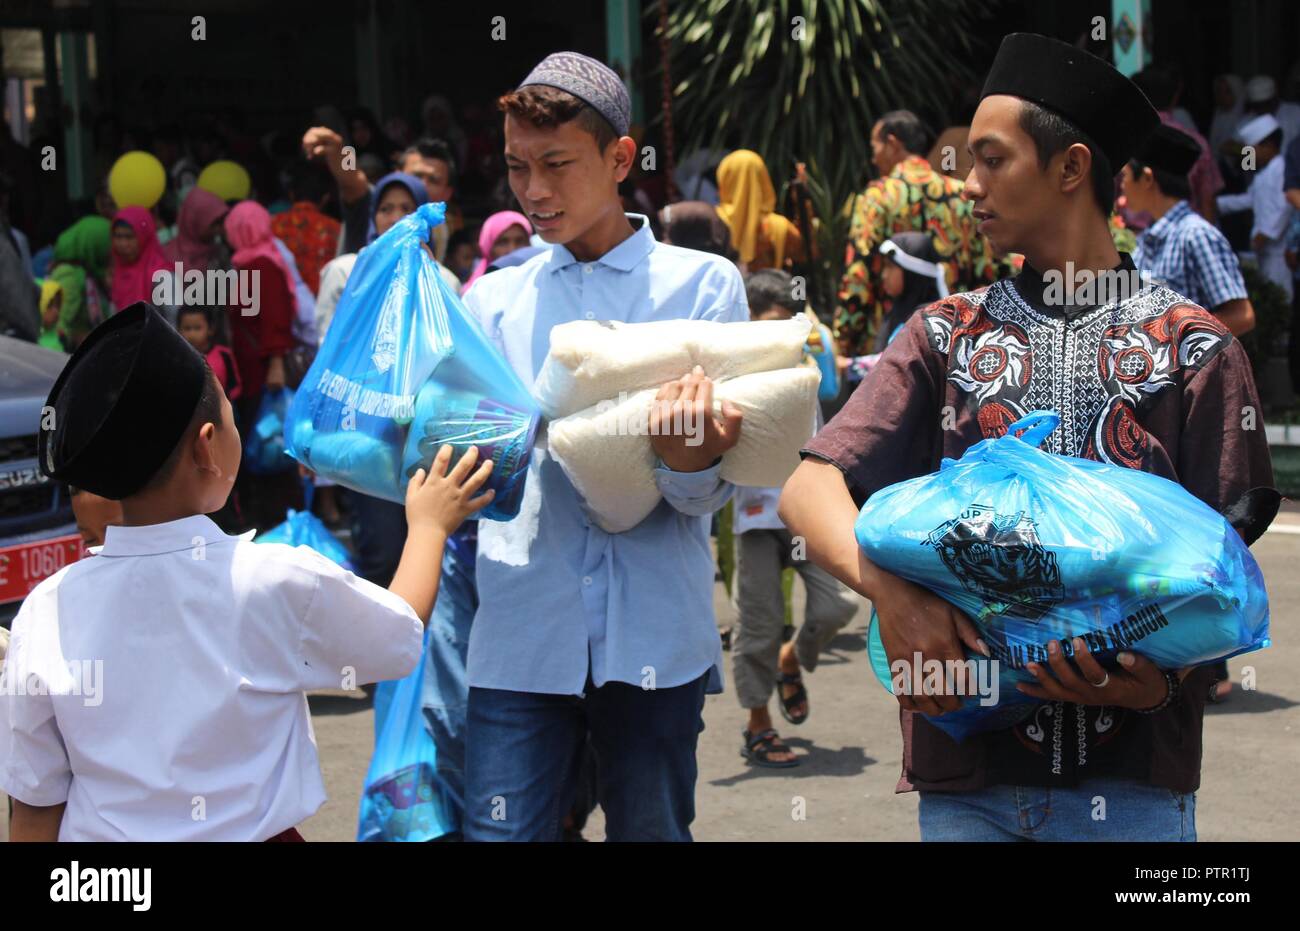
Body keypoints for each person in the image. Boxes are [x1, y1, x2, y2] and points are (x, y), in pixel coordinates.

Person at [779, 33, 1277, 843]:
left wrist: (1149, 682)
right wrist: (895, 597)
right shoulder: (944, 334)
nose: (966, 184)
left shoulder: (1195, 349)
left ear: (1071, 168)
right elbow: (809, 487)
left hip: (1137, 789)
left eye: (991, 159)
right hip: (965, 787)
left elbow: (1226, 574)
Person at [0, 301, 496, 840]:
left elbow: (34, 806)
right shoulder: (271, 578)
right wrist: (428, 526)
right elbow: (398, 634)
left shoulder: (46, 609)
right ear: (208, 447)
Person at [460, 51, 747, 842]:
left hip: (653, 635)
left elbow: (711, 487)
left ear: (621, 157)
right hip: (522, 635)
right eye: (518, 167)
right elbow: (467, 472)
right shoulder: (491, 302)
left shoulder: (702, 288)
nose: (535, 192)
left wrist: (690, 464)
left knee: (652, 830)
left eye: (558, 164)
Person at [732, 269, 859, 768]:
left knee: (839, 605)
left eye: (788, 325)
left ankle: (793, 660)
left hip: (806, 511)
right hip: (756, 515)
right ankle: (758, 725)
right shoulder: (731, 374)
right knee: (757, 626)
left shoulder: (806, 363)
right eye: (769, 325)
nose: (779, 336)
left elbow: (825, 434)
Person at [835, 109, 1002, 360]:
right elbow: (986, 268)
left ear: (892, 143)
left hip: (888, 344)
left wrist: (845, 339)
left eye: (875, 147)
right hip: (959, 338)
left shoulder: (877, 198)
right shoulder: (961, 196)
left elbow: (859, 275)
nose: (873, 158)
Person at [1126, 123, 1255, 336]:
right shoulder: (1147, 240)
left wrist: (1174, 342)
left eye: (1126, 177)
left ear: (1147, 178)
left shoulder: (1196, 235)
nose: (1123, 186)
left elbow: (1241, 316)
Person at [840, 231, 949, 384]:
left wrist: (847, 367)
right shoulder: (899, 311)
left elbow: (900, 364)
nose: (884, 275)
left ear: (912, 272)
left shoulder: (929, 319)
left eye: (890, 267)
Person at [1130, 67, 1224, 223]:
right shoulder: (1196, 143)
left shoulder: (1123, 140)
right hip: (1183, 238)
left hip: (1129, 238)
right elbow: (1207, 198)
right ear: (1175, 96)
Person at [1217, 113, 1294, 300]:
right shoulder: (1263, 172)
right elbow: (1250, 198)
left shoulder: (1282, 168)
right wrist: (1217, 204)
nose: (1248, 155)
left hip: (1276, 252)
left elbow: (1284, 207)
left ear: (1268, 147)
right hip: (1262, 251)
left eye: (1252, 150)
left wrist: (1266, 233)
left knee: (1279, 300)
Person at [714, 149, 804, 274]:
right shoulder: (778, 226)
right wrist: (802, 202)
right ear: (763, 179)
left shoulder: (711, 222)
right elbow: (807, 252)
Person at [270, 160, 340, 296]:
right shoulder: (335, 229)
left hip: (282, 300)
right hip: (322, 301)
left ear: (291, 194)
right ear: (325, 198)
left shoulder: (272, 224)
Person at [46, 216, 112, 350]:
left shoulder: (89, 270)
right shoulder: (69, 275)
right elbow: (57, 326)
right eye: (105, 242)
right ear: (93, 243)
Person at [109, 207, 171, 312]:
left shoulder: (162, 276)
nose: (123, 244)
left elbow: (174, 323)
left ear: (145, 237)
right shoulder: (118, 272)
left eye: (130, 237)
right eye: (118, 236)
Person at [177, 304, 242, 402]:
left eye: (197, 328)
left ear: (211, 329)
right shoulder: (176, 357)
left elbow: (235, 386)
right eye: (187, 328)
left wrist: (223, 400)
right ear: (178, 330)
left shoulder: (223, 354)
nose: (192, 334)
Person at [461, 210, 532, 292]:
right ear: (488, 247)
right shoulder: (475, 293)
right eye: (503, 242)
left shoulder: (541, 283)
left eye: (520, 241)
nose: (512, 250)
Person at [1243, 75, 1300, 150]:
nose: (1262, 109)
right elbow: (1232, 145)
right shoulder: (1246, 121)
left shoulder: (1296, 112)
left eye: (1266, 104)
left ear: (1275, 97)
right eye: (1258, 106)